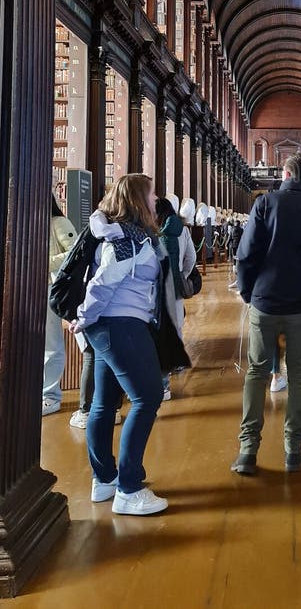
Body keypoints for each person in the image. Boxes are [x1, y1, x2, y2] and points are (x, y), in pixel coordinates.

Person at [231, 152, 301, 475]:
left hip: (265, 300)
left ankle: (248, 450)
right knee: (298, 373)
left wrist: (249, 292)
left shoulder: (265, 204)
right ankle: (293, 449)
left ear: (286, 172)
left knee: (257, 373)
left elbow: (246, 253)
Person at [69, 174, 169, 515]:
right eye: (153, 194)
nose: (157, 199)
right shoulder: (130, 238)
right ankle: (129, 487)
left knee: (104, 402)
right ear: (139, 200)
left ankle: (105, 479)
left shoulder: (117, 233)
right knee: (148, 396)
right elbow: (104, 281)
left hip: (107, 326)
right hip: (122, 325)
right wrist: (83, 316)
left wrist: (88, 320)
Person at [156, 196, 197, 400]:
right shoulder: (182, 230)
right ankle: (178, 361)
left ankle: (162, 379)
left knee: (160, 326)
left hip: (155, 285)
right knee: (176, 323)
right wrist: (182, 274)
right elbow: (191, 257)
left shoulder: (153, 230)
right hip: (176, 283)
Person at [43, 195, 77, 416]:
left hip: (47, 287)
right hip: (22, 286)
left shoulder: (58, 223)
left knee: (51, 345)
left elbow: (74, 252)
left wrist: (42, 261)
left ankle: (50, 395)